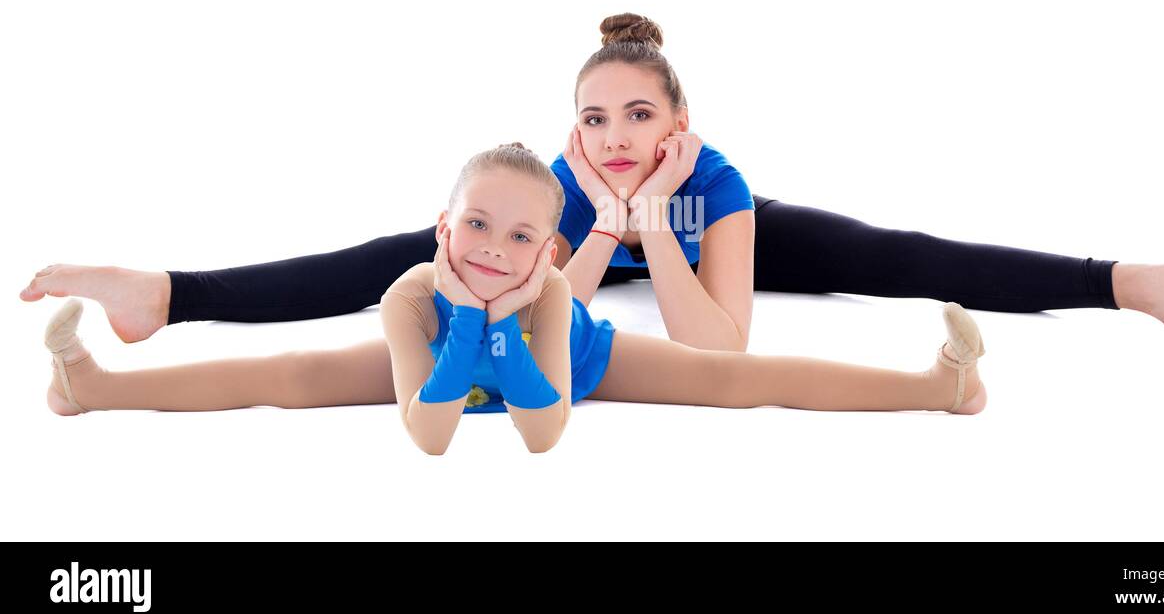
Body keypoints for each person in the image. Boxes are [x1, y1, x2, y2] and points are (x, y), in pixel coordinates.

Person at [20, 14, 1164, 352]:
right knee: (375, 262)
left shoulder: (710, 178)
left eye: (636, 117)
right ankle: (163, 294)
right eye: (591, 120)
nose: (612, 135)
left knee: (893, 252)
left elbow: (716, 342)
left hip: (695, 234)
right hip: (572, 245)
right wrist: (589, 225)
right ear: (563, 128)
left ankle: (1137, 282)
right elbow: (533, 319)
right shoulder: (534, 188)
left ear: (679, 121)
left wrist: (655, 224)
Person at [41, 144, 990, 454]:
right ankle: (92, 386)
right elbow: (432, 432)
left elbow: (540, 434)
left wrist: (509, 321)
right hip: (450, 355)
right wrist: (463, 327)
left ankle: (939, 386)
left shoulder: (542, 294)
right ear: (441, 227)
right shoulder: (412, 291)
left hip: (567, 361)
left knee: (745, 381)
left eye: (524, 236)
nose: (496, 250)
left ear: (552, 249)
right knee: (286, 373)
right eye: (477, 227)